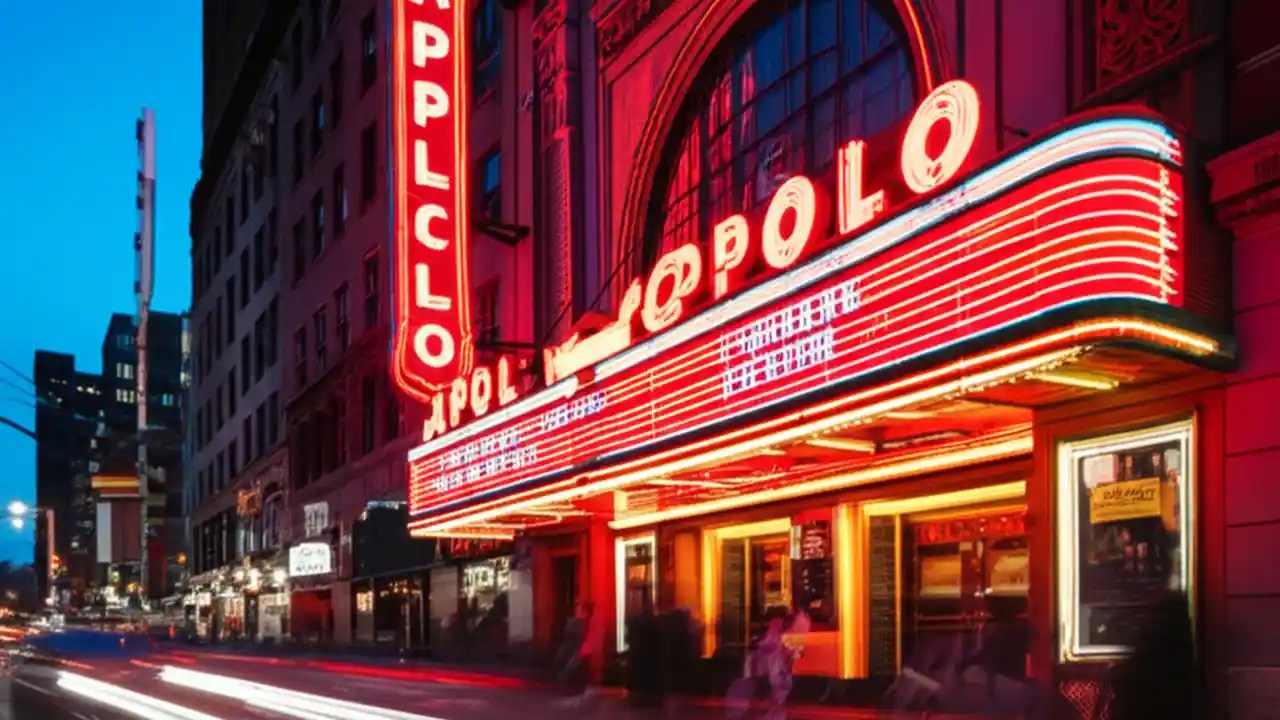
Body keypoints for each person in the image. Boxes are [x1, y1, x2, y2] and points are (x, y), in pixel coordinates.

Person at [555, 600, 603, 708]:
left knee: (574, 669)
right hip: (579, 651)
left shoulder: (581, 623)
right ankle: (573, 687)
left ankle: (572, 687)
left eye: (579, 609)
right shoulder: (583, 623)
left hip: (581, 651)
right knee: (574, 669)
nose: (577, 611)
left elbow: (576, 635)